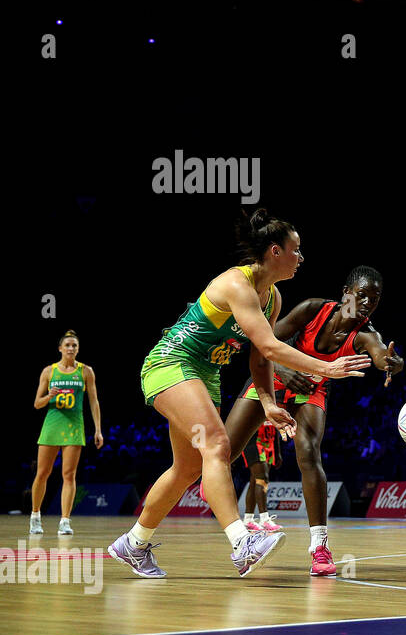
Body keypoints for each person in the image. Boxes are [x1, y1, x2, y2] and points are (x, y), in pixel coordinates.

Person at [108, 209, 372, 579]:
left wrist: (268, 403)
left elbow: (261, 356)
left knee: (188, 469)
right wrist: (324, 367)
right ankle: (241, 542)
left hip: (204, 375)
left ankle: (133, 544)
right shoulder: (236, 284)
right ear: (275, 252)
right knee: (217, 446)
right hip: (170, 364)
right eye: (296, 251)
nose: (301, 258)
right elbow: (271, 345)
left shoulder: (272, 298)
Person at [223, 264, 402, 576]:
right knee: (222, 453)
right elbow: (263, 345)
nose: (366, 304)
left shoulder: (367, 334)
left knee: (308, 452)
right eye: (361, 296)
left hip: (313, 388)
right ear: (346, 293)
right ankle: (157, 534)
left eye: (374, 299)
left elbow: (379, 354)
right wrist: (285, 372)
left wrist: (391, 364)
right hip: (275, 376)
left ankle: (319, 546)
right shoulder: (312, 309)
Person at [30, 330, 103, 535]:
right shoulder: (49, 371)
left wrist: (98, 429)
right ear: (60, 348)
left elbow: (94, 401)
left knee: (69, 475)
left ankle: (65, 521)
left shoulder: (86, 371)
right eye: (68, 345)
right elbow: (37, 404)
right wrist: (49, 396)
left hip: (74, 427)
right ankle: (35, 515)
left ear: (78, 349)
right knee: (42, 473)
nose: (71, 348)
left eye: (74, 345)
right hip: (52, 426)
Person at [240, 421, 281, 532]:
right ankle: (264, 519)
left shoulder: (275, 405)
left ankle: (248, 520)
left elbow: (276, 429)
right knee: (263, 479)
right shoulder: (254, 404)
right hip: (254, 443)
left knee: (255, 481)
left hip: (269, 444)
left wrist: (278, 452)